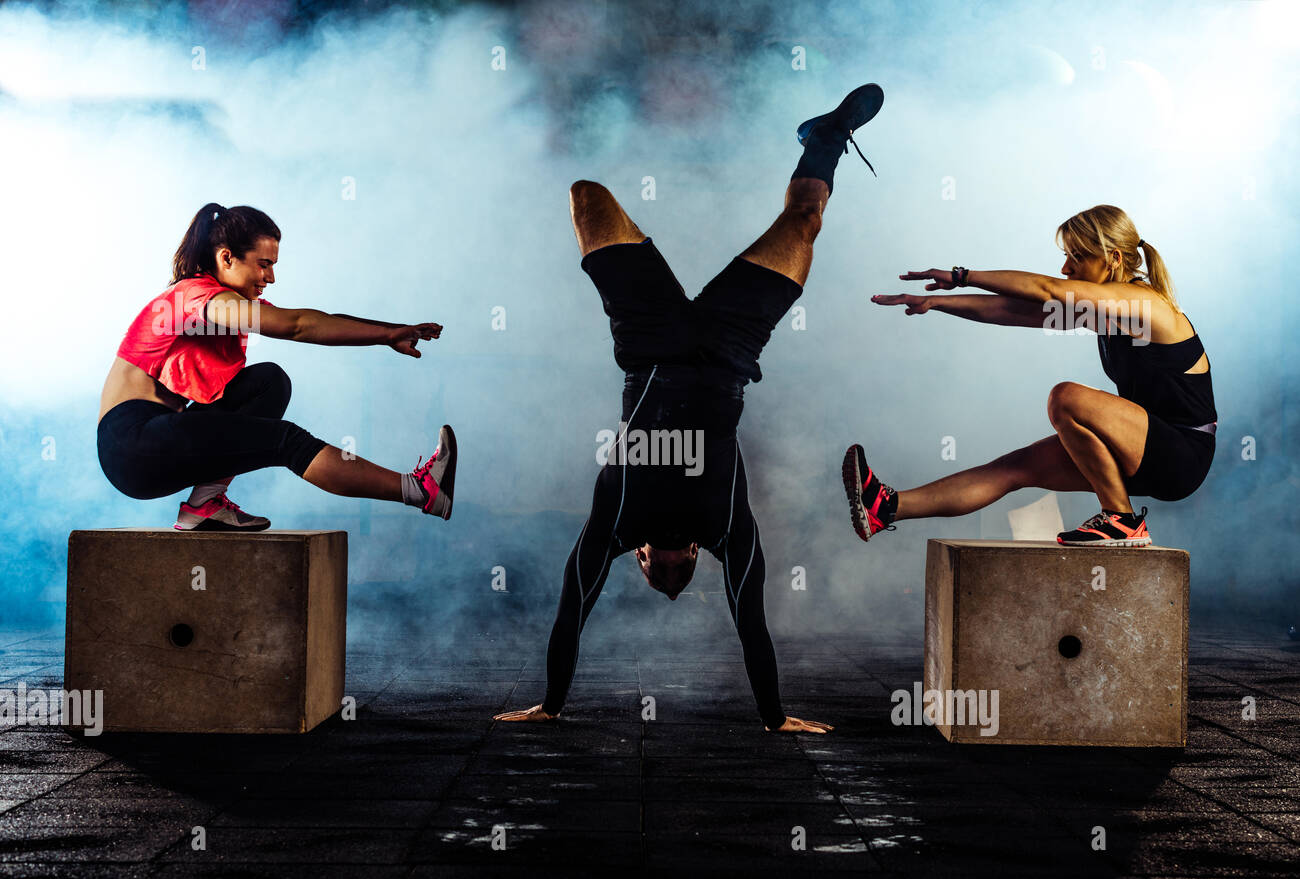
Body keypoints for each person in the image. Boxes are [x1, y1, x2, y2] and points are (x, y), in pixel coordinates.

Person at [494, 84, 885, 733]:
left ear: (638, 557)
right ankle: (825, 136)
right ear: (698, 555)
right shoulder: (728, 532)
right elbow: (751, 624)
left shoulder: (614, 525)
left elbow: (571, 612)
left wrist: (551, 704)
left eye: (660, 572)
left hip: (649, 342)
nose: (673, 568)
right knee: (804, 222)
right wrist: (775, 718)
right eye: (684, 571)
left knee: (586, 194)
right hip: (732, 348)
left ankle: (586, 100)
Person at [848, 204, 1216, 548]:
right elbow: (1014, 310)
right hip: (1139, 449)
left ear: (1113, 259)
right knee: (1013, 469)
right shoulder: (1103, 313)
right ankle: (886, 507)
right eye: (1066, 257)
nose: (1066, 268)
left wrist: (963, 276)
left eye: (1077, 257)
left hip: (1181, 455)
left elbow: (1048, 289)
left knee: (1066, 398)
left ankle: (1120, 520)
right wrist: (936, 302)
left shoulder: (1146, 304)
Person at [97, 202, 458, 530]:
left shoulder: (224, 301)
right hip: (131, 445)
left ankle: (204, 504)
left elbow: (314, 322)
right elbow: (297, 325)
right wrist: (387, 334)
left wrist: (389, 333)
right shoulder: (195, 296)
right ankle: (418, 490)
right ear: (226, 258)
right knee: (285, 440)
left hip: (158, 442)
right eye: (264, 264)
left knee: (268, 381)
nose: (270, 278)